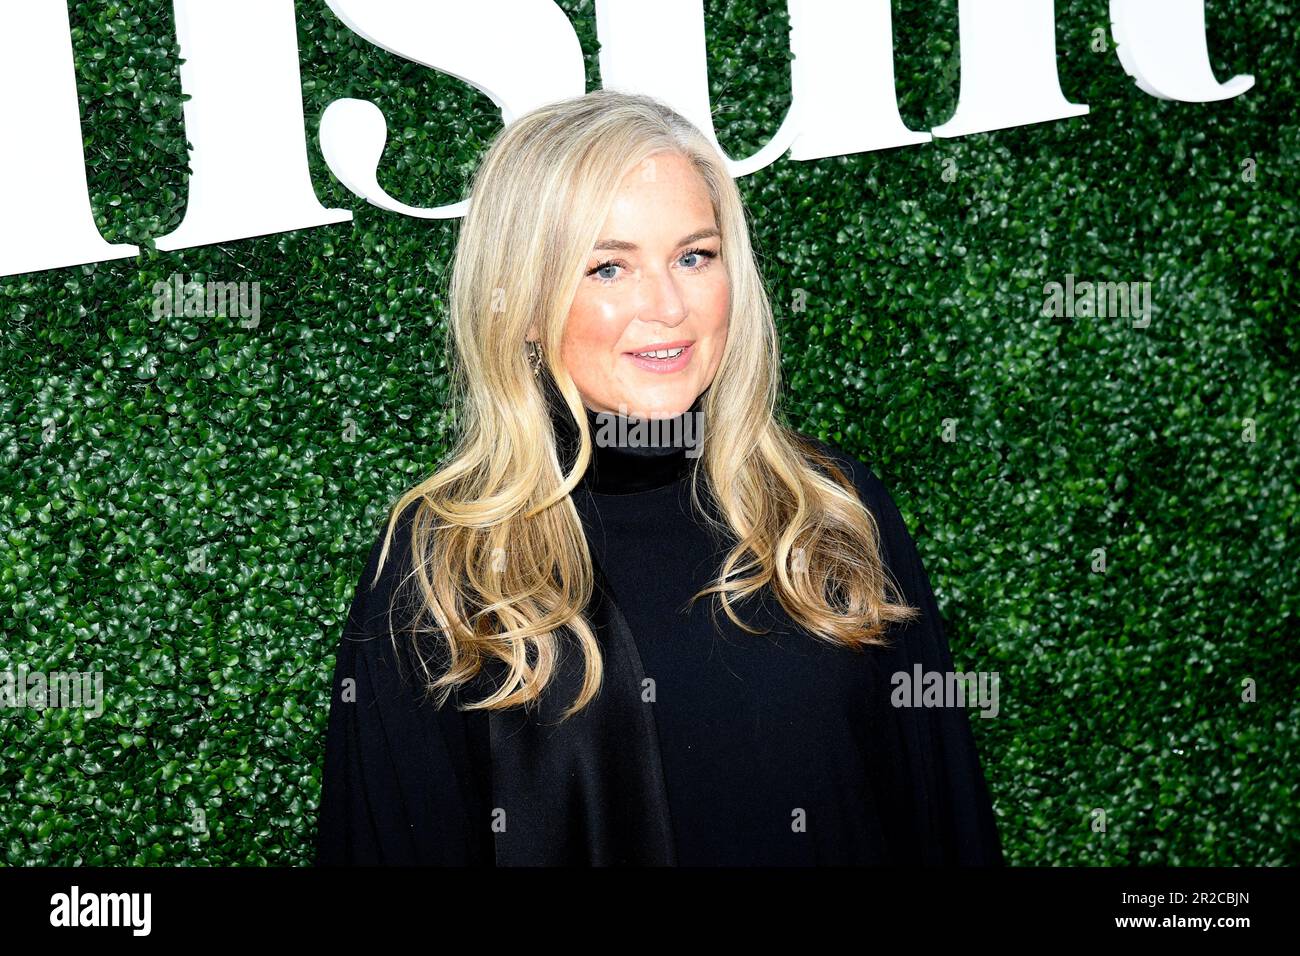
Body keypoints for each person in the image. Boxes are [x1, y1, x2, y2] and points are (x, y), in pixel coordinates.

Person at [315, 89, 1004, 866]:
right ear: (526, 306)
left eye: (693, 256)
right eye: (608, 267)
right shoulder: (447, 562)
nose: (668, 306)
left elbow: (946, 822)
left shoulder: (831, 507)